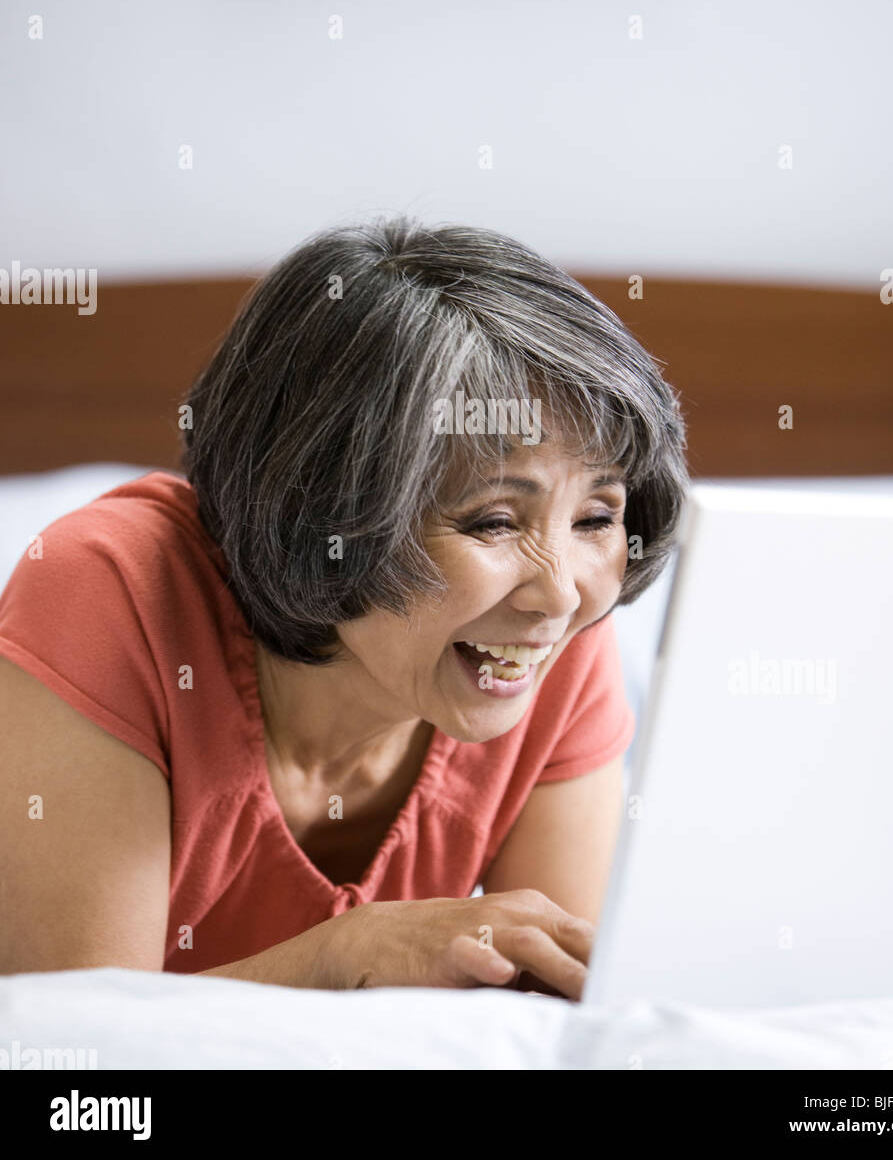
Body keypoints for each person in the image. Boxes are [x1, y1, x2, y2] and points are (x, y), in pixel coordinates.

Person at [0, 216, 687, 997]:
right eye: (494, 521)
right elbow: (74, 1040)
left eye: (596, 518)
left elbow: (562, 1001)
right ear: (323, 507)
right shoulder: (109, 590)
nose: (562, 593)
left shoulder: (546, 635)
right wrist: (343, 956)